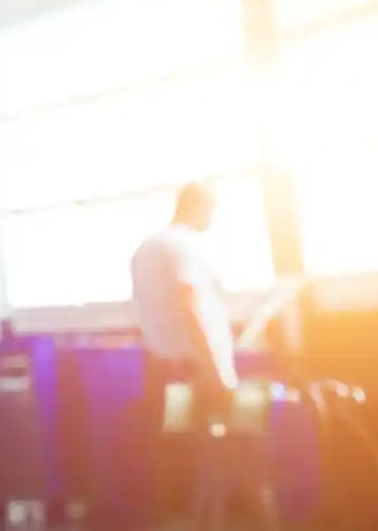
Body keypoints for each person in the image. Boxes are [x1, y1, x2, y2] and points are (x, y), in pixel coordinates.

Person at [130, 182, 279, 530]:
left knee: (178, 467)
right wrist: (216, 371)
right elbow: (189, 302)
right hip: (195, 373)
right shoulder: (183, 245)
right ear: (200, 208)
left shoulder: (146, 249)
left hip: (164, 370)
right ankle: (261, 521)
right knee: (243, 453)